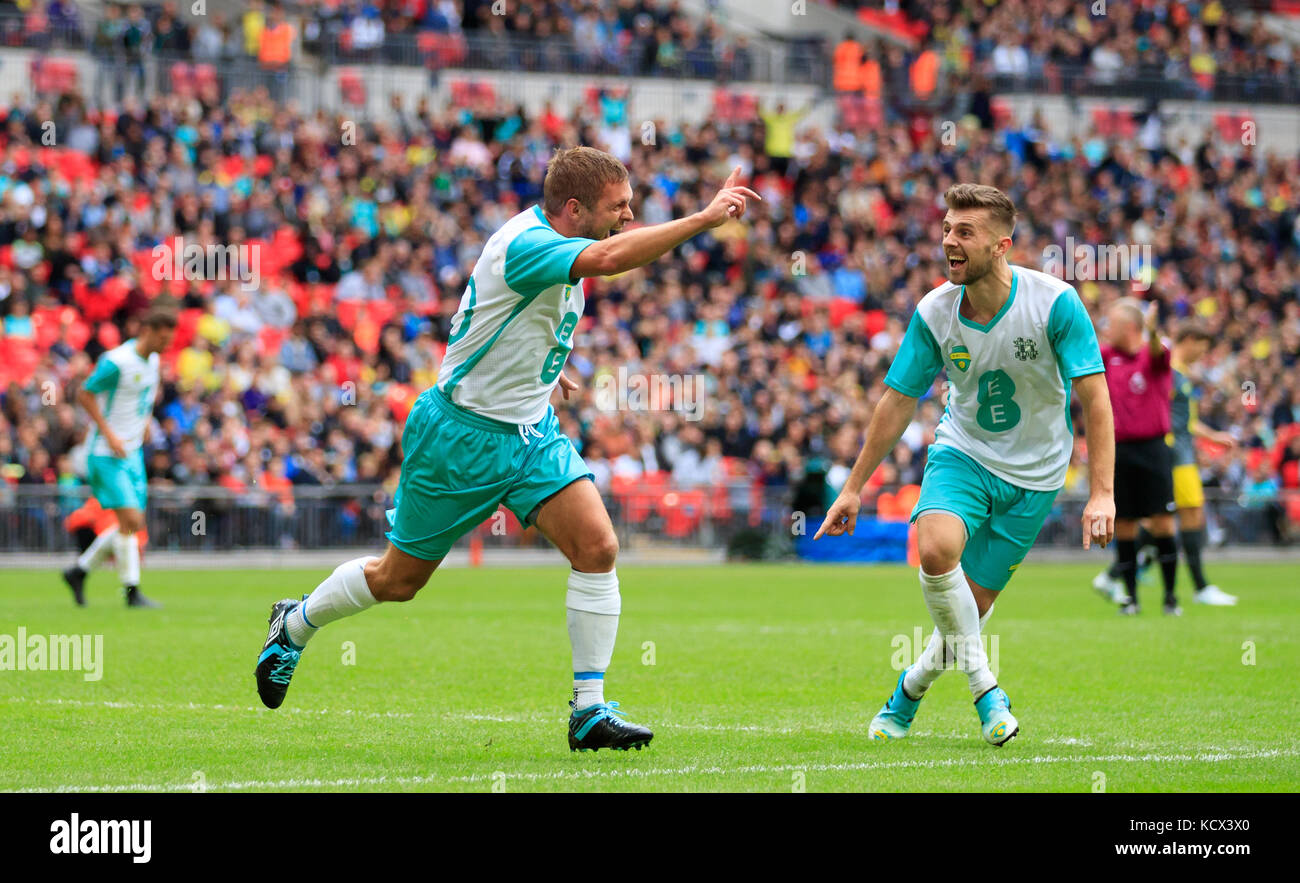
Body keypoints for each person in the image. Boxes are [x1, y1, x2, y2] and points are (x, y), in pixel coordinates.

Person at [254, 147, 760, 752]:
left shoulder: (550, 238)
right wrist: (704, 219)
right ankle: (296, 623)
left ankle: (589, 711)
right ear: (574, 210)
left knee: (597, 546)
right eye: (617, 207)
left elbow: (508, 318)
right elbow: (606, 258)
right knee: (399, 580)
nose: (628, 216)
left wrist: (547, 370)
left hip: (528, 430)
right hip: (460, 438)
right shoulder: (526, 245)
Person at [815, 184, 1114, 746]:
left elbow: (1095, 396)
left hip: (1038, 474)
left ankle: (907, 692)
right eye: (947, 229)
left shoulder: (1054, 302)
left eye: (964, 233)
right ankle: (986, 690)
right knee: (934, 550)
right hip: (965, 453)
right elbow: (898, 400)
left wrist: (1102, 493)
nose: (949, 241)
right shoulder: (935, 311)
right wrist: (854, 487)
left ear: (1001, 245)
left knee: (968, 612)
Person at [62, 303, 177, 608]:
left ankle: (79, 570)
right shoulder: (116, 362)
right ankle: (131, 592)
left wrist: (146, 423)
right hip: (105, 452)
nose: (165, 346)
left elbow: (143, 398)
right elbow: (84, 393)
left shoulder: (152, 361)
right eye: (162, 339)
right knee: (132, 519)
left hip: (132, 452)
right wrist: (109, 433)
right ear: (147, 331)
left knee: (129, 524)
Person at [1099, 298, 1183, 615]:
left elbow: (1161, 353)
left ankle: (1170, 597)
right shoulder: (1107, 356)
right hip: (1117, 450)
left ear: (1131, 328)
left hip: (1154, 449)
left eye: (1112, 323)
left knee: (1162, 523)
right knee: (1124, 524)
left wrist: (1153, 330)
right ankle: (1131, 598)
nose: (1106, 329)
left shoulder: (1154, 355)